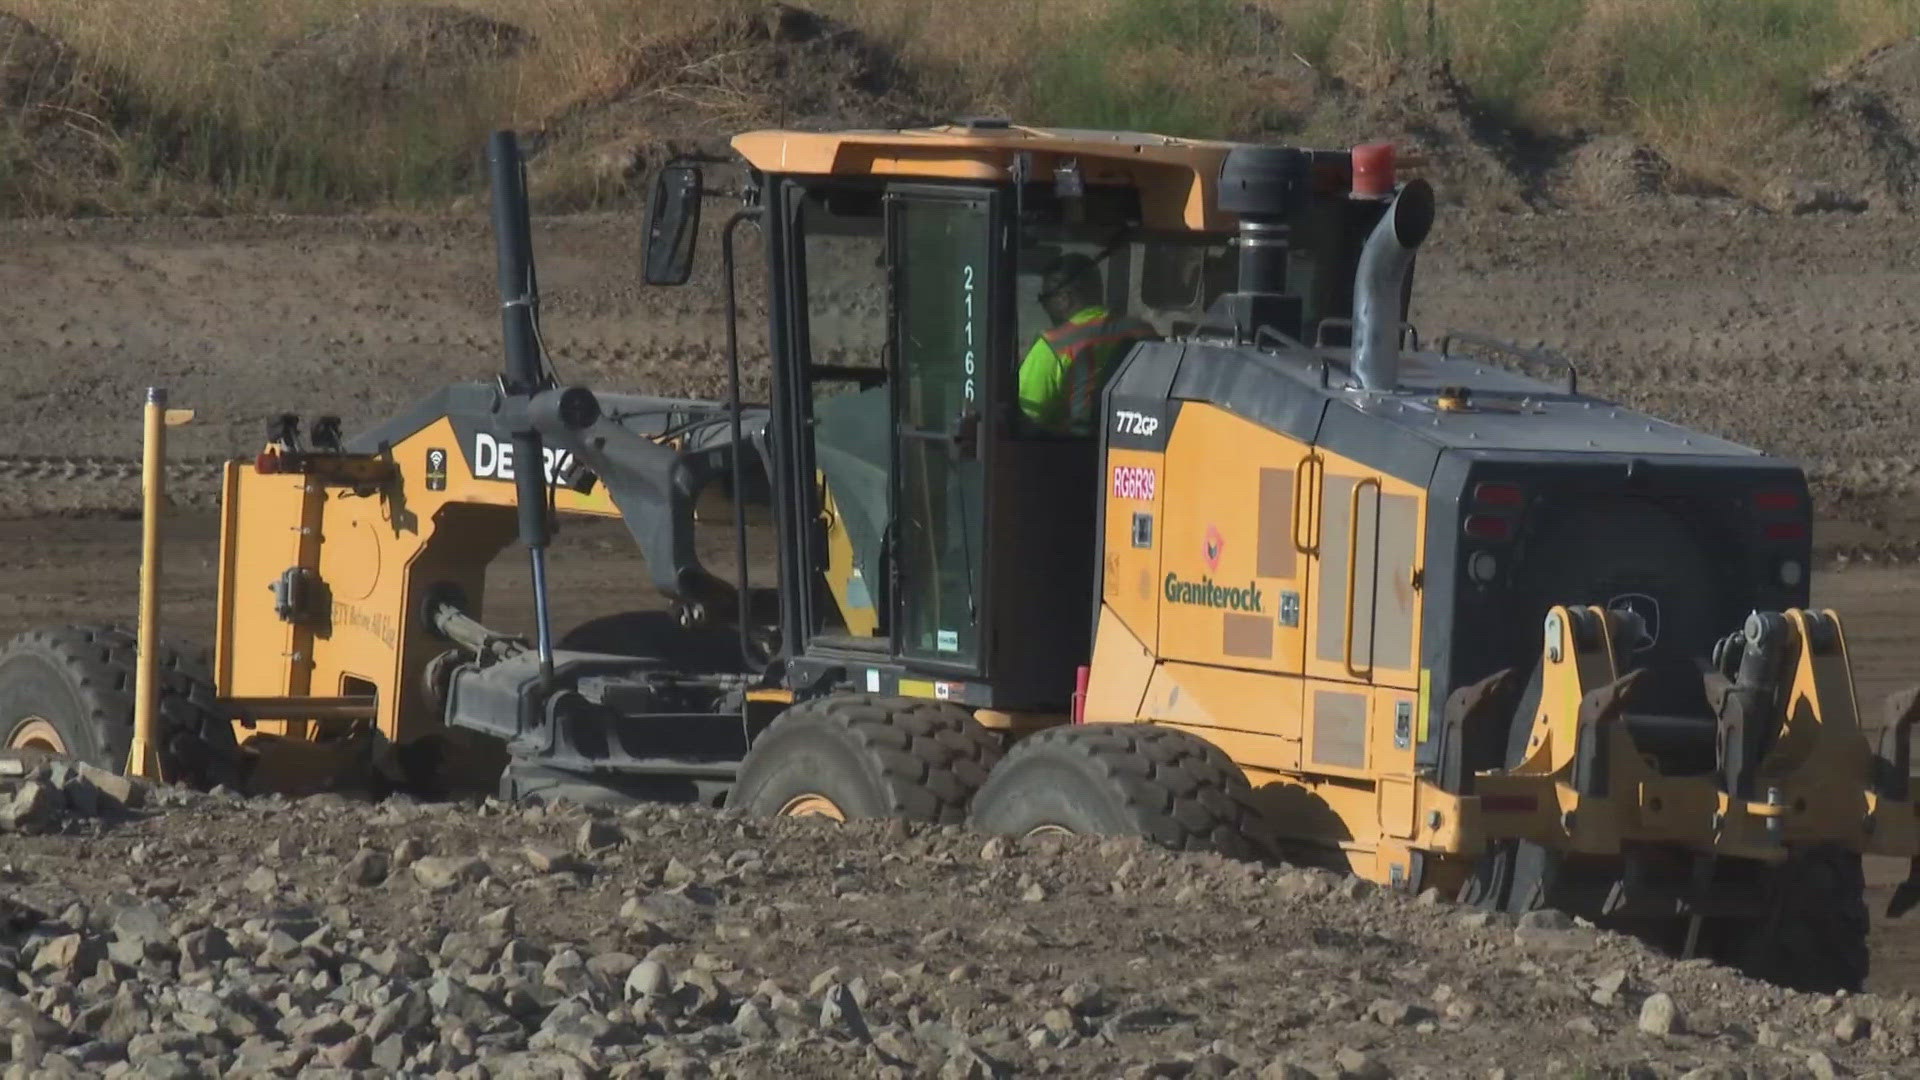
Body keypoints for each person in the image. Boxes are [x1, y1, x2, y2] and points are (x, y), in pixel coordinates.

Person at [1017, 253, 1157, 435]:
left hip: (1073, 454)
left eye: (1045, 298)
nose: (1045, 307)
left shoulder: (1053, 346)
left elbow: (1026, 417)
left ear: (1064, 298)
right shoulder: (1144, 332)